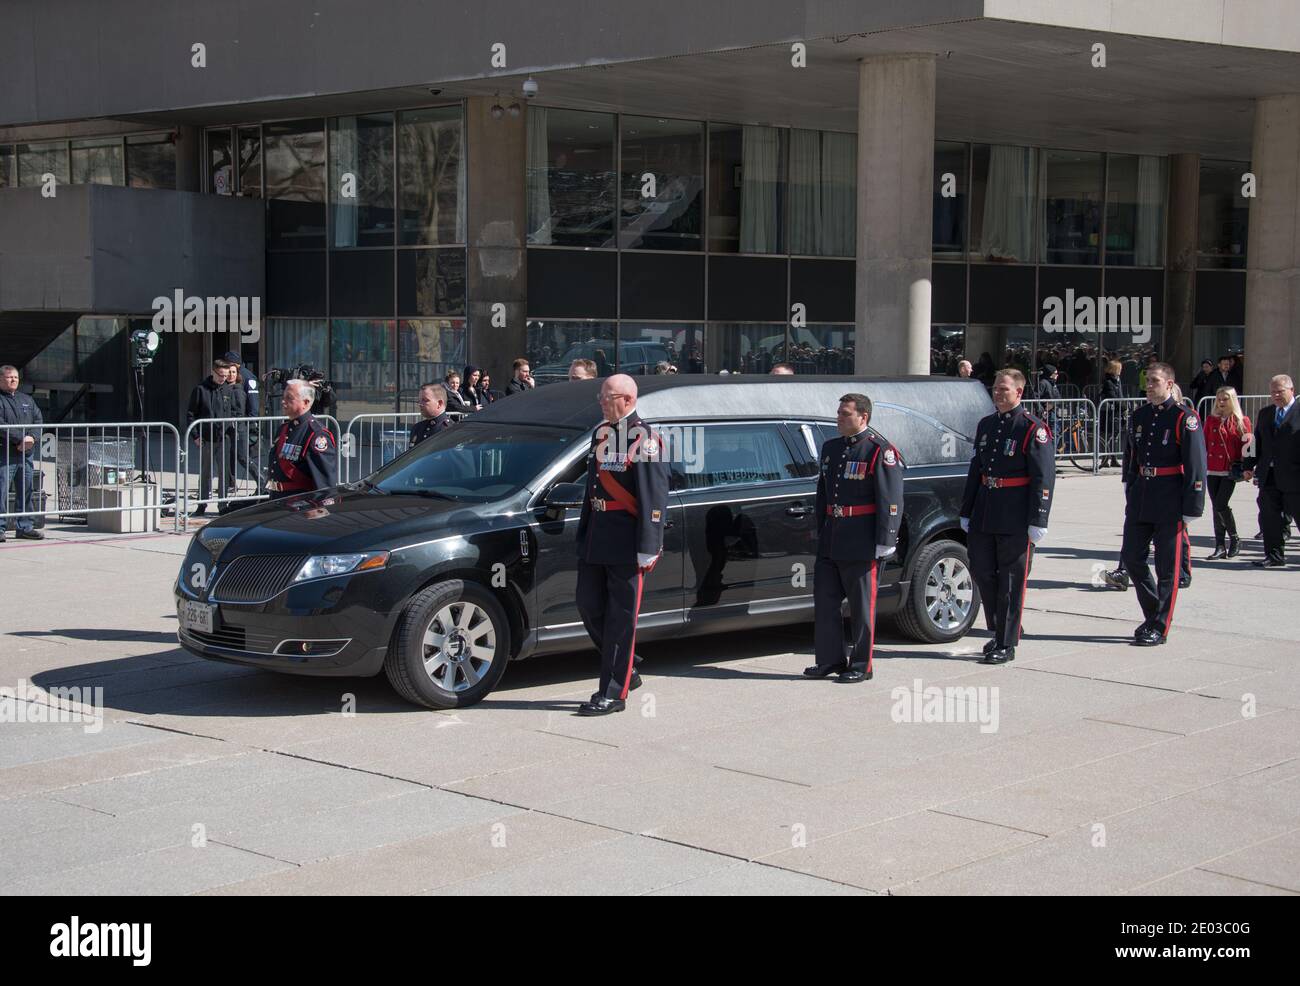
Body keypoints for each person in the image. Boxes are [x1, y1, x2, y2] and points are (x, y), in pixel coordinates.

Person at [574, 374, 670, 716]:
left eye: (607, 396)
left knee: (620, 618)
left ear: (627, 400)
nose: (600, 401)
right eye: (600, 395)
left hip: (627, 540)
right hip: (598, 534)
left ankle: (614, 693)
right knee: (588, 604)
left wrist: (649, 543)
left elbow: (653, 495)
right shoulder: (602, 434)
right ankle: (626, 666)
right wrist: (584, 531)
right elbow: (593, 489)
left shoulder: (645, 440)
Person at [804, 393, 904, 682]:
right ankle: (829, 660)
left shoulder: (878, 451)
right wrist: (821, 528)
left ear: (864, 417)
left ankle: (861, 665)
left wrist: (887, 539)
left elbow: (890, 499)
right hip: (832, 537)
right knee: (825, 603)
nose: (839, 418)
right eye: (838, 412)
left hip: (861, 539)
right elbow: (823, 494)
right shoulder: (831, 448)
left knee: (862, 608)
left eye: (845, 413)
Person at [959, 369, 1054, 664]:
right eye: (996, 389)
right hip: (986, 508)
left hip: (1015, 512)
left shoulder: (1032, 428)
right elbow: (977, 469)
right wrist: (966, 510)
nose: (998, 394)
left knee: (1011, 579)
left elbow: (1043, 477)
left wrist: (1039, 519)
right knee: (983, 571)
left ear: (1019, 393)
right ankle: (1002, 627)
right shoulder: (986, 425)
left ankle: (1005, 642)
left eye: (1004, 389)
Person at [1119, 362, 1207, 646]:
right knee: (1132, 557)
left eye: (1155, 381)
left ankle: (1159, 626)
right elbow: (1132, 454)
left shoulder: (1185, 418)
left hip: (1170, 496)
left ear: (1169, 384)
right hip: (1142, 494)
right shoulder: (1140, 416)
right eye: (1148, 381)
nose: (1149, 386)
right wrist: (1129, 484)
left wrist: (1192, 505)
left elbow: (1196, 465)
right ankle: (1154, 613)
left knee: (1167, 568)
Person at [1243, 374, 1300, 568]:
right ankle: (1274, 556)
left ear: (1291, 390)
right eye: (1273, 391)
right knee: (1270, 519)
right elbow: (1257, 442)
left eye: (1280, 391)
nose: (1276, 395)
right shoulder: (1266, 413)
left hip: (1295, 477)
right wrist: (1248, 466)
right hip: (1269, 476)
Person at [186, 358, 246, 515]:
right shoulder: (201, 389)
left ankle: (222, 505)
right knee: (205, 473)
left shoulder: (228, 390)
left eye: (226, 376)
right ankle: (202, 504)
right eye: (220, 375)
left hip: (224, 438)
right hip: (206, 438)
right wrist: (196, 436)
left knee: (224, 473)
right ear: (213, 372)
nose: (223, 378)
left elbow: (234, 411)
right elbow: (191, 413)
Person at [267, 379, 337, 499]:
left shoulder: (316, 435)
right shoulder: (284, 429)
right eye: (283, 397)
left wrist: (320, 511)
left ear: (305, 402)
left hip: (299, 505)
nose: (283, 402)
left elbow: (325, 484)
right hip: (278, 499)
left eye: (289, 398)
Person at [1204, 386, 1251, 559]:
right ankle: (1220, 545)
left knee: (1220, 504)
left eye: (1225, 399)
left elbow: (1249, 447)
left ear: (1232, 400)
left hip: (1229, 469)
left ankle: (1234, 538)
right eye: (1219, 399)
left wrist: (1248, 468)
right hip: (1212, 468)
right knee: (1216, 506)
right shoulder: (1211, 420)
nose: (1222, 402)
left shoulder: (1241, 420)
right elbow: (1204, 442)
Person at [0, 364, 44, 541]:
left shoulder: (26, 399)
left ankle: (25, 527)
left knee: (26, 490)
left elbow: (38, 420)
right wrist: (20, 439)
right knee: (1, 491)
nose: (13, 380)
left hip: (25, 454)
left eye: (16, 377)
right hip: (5, 453)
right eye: (10, 377)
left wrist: (32, 438)